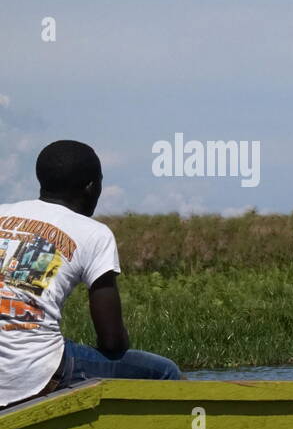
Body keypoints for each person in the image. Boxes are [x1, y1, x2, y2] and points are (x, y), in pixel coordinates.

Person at [0, 140, 182, 409]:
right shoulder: (94, 233)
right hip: (33, 374)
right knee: (165, 372)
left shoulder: (3, 213)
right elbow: (110, 340)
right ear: (91, 187)